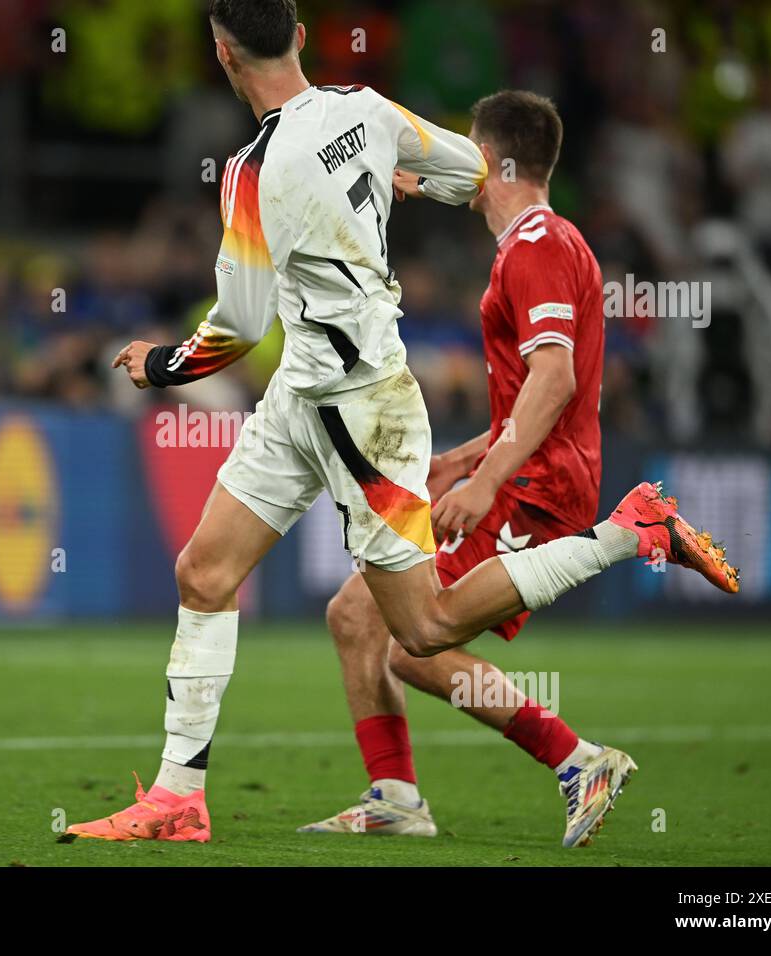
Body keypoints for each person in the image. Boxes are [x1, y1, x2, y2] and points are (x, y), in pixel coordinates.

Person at [68, 0, 737, 844]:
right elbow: (472, 172)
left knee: (418, 631)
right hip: (301, 398)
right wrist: (388, 184)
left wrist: (157, 363)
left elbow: (236, 329)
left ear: (223, 54)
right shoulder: (367, 109)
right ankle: (184, 799)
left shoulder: (250, 170)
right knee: (206, 572)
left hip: (362, 410)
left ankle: (621, 538)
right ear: (301, 37)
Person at [299, 90, 634, 848]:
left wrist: (487, 481)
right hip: (516, 470)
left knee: (415, 642)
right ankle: (394, 796)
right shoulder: (537, 240)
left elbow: (554, 381)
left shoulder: (539, 245)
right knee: (356, 614)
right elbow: (532, 395)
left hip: (535, 489)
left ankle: (578, 760)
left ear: (492, 159)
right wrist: (463, 458)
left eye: (464, 152)